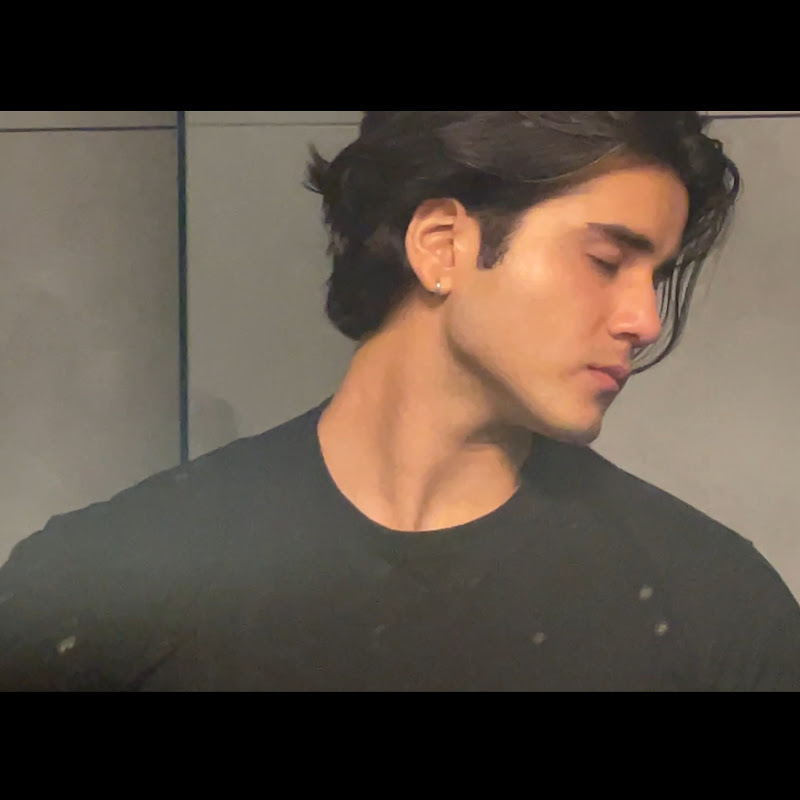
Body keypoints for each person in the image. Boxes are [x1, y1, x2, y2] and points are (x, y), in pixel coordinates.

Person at [1, 111, 798, 692]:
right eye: (605, 260)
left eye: (655, 277)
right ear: (442, 245)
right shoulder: (97, 588)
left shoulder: (718, 609)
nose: (645, 321)